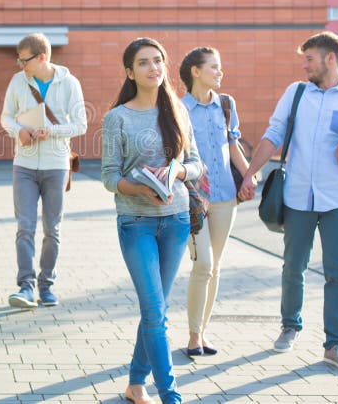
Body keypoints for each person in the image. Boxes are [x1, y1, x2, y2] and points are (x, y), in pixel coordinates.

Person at [238, 32, 338, 371]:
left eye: (309, 59)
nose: (304, 65)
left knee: (337, 273)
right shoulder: (296, 93)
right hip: (298, 196)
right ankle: (290, 326)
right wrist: (249, 173)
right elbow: (273, 135)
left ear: (330, 59)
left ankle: (335, 344)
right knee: (293, 267)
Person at [101, 38, 202, 404]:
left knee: (154, 311)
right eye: (143, 63)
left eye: (158, 61)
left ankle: (134, 383)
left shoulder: (177, 110)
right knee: (155, 312)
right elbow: (109, 176)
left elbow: (196, 164)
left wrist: (175, 175)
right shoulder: (117, 118)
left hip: (175, 220)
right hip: (136, 221)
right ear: (130, 72)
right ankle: (171, 396)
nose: (153, 68)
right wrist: (141, 188)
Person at [0, 32, 87, 308]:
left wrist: (52, 132)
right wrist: (19, 132)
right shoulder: (18, 81)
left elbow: (81, 124)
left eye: (24, 60)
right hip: (24, 165)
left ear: (42, 57)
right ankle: (25, 287)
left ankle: (46, 285)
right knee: (25, 227)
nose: (20, 65)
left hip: (56, 166)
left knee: (53, 229)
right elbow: (5, 117)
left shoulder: (70, 83)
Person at [178, 47, 250, 357]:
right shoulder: (178, 108)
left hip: (225, 195)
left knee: (215, 267)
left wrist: (248, 176)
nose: (220, 73)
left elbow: (232, 145)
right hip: (192, 198)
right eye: (214, 67)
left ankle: (203, 333)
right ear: (195, 70)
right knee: (202, 263)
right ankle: (193, 336)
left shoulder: (226, 104)